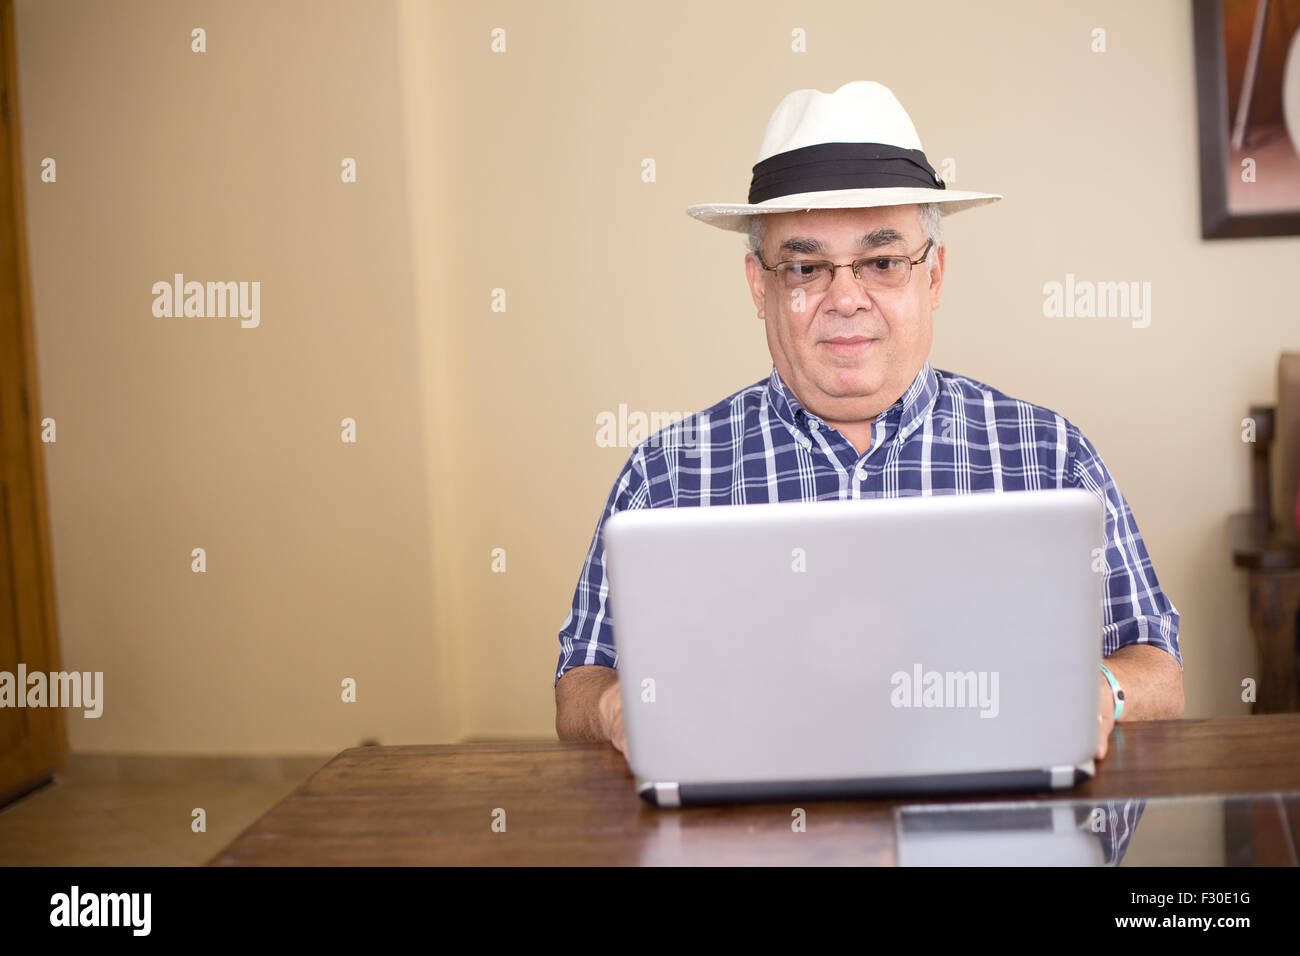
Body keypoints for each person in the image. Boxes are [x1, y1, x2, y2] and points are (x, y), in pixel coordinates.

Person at [554, 80, 1183, 763]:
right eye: (805, 266)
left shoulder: (1051, 455)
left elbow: (1159, 668)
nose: (846, 298)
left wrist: (1099, 692)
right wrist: (619, 708)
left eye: (882, 262)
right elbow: (579, 683)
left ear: (934, 276)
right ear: (758, 286)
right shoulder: (666, 474)